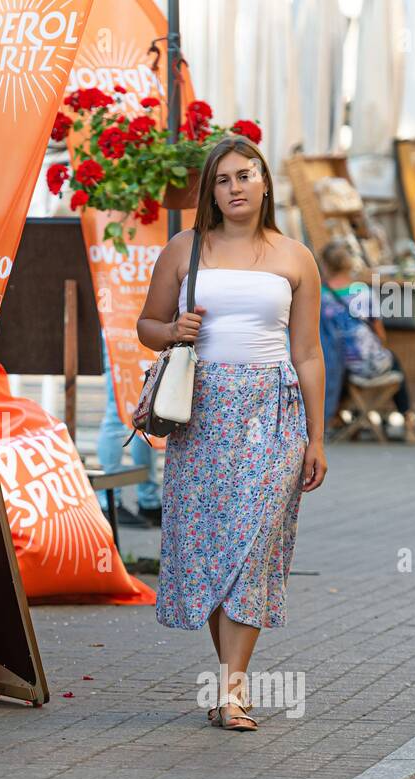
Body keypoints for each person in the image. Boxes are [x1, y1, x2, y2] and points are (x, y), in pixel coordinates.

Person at [136, 136, 326, 731]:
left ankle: (232, 691)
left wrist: (316, 438)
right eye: (222, 180)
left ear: (265, 183)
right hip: (203, 411)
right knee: (217, 546)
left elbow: (309, 352)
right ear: (209, 192)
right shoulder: (184, 248)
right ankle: (228, 688)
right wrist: (173, 330)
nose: (235, 187)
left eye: (246, 175)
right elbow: (146, 325)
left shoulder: (295, 257)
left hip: (273, 411)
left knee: (254, 547)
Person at [318, 241, 415, 444]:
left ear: (325, 265)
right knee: (393, 362)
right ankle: (408, 419)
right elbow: (379, 334)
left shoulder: (320, 295)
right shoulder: (362, 291)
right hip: (363, 363)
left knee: (344, 364)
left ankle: (341, 418)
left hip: (333, 365)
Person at [95, 332, 159, 525]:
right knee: (122, 412)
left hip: (129, 327)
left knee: (147, 413)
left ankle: (147, 500)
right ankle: (109, 501)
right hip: (124, 328)